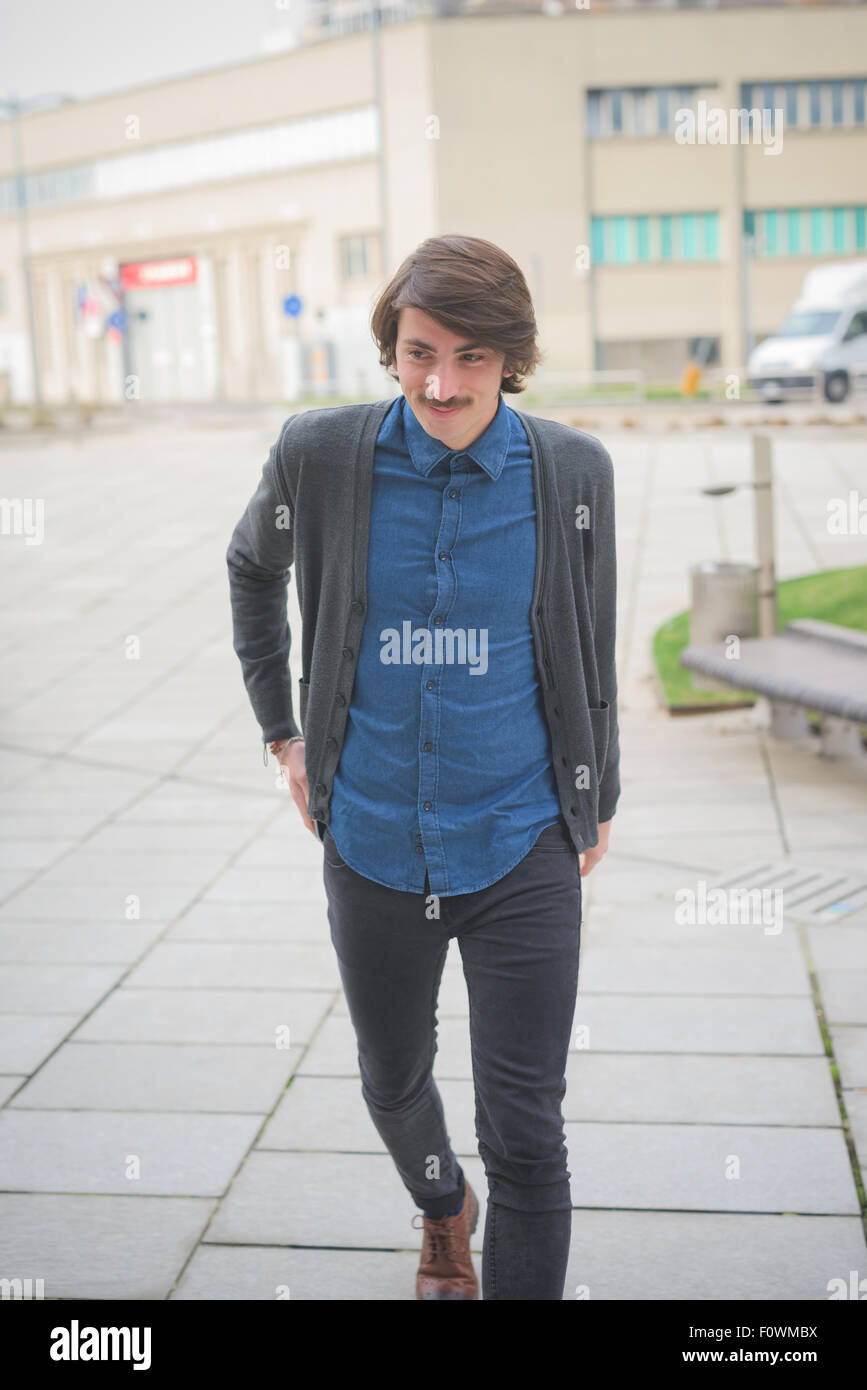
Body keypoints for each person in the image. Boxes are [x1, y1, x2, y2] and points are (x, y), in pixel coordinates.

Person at [226, 234, 620, 1300]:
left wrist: (597, 795)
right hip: (372, 835)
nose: (442, 385)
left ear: (513, 359)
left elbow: (593, 636)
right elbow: (250, 565)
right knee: (392, 1083)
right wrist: (283, 732)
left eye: (473, 358)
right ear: (391, 349)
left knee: (528, 1130)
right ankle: (445, 1206)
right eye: (418, 353)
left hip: (522, 837)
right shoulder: (321, 453)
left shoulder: (572, 470)